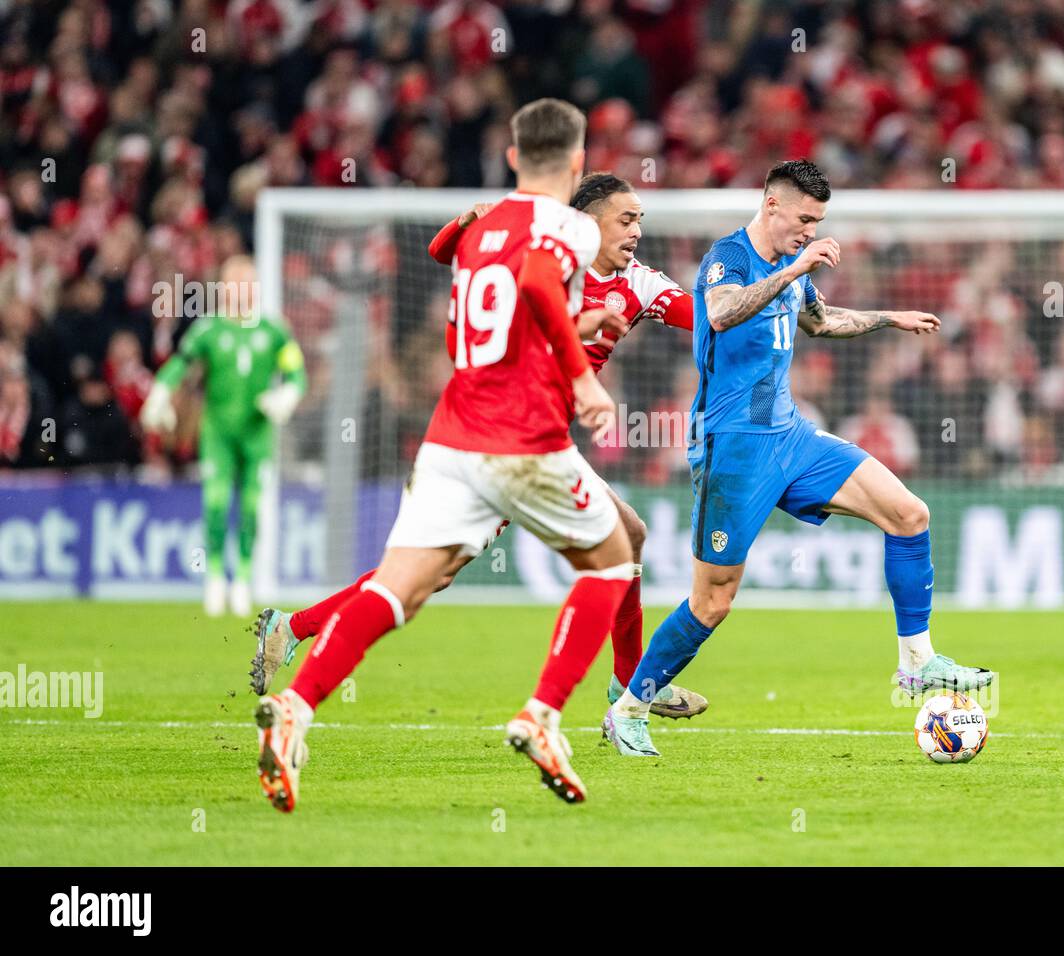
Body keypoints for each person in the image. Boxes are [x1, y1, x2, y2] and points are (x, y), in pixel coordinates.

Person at [254, 98, 633, 811]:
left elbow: (486, 290)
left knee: (396, 590)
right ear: (578, 161)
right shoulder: (574, 227)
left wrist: (579, 320)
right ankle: (542, 715)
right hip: (523, 435)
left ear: (513, 156)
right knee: (615, 561)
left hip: (451, 435)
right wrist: (582, 376)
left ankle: (296, 707)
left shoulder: (480, 227)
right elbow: (535, 282)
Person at [249, 172, 710, 720]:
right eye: (626, 219)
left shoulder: (641, 283)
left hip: (541, 443)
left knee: (626, 535)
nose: (637, 231)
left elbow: (708, 317)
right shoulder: (544, 261)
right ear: (589, 221)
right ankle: (295, 632)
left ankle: (629, 686)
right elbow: (443, 252)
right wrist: (466, 221)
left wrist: (774, 293)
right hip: (495, 439)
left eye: (640, 221)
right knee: (428, 574)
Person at [603, 159, 995, 757]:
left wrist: (887, 318)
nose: (811, 232)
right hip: (734, 446)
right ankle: (629, 708)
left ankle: (917, 663)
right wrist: (794, 269)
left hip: (790, 435)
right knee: (712, 602)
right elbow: (720, 313)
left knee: (909, 514)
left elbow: (821, 321)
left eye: (818, 223)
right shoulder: (728, 257)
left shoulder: (794, 265)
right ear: (772, 205)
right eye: (805, 219)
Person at [140, 255, 306, 616]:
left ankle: (242, 578)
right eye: (234, 284)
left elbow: (296, 374)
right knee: (215, 504)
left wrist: (287, 395)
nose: (241, 291)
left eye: (247, 283)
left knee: (251, 507)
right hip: (218, 433)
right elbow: (179, 365)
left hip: (257, 433)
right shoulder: (208, 330)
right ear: (224, 289)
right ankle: (215, 576)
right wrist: (160, 393)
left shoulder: (274, 330)